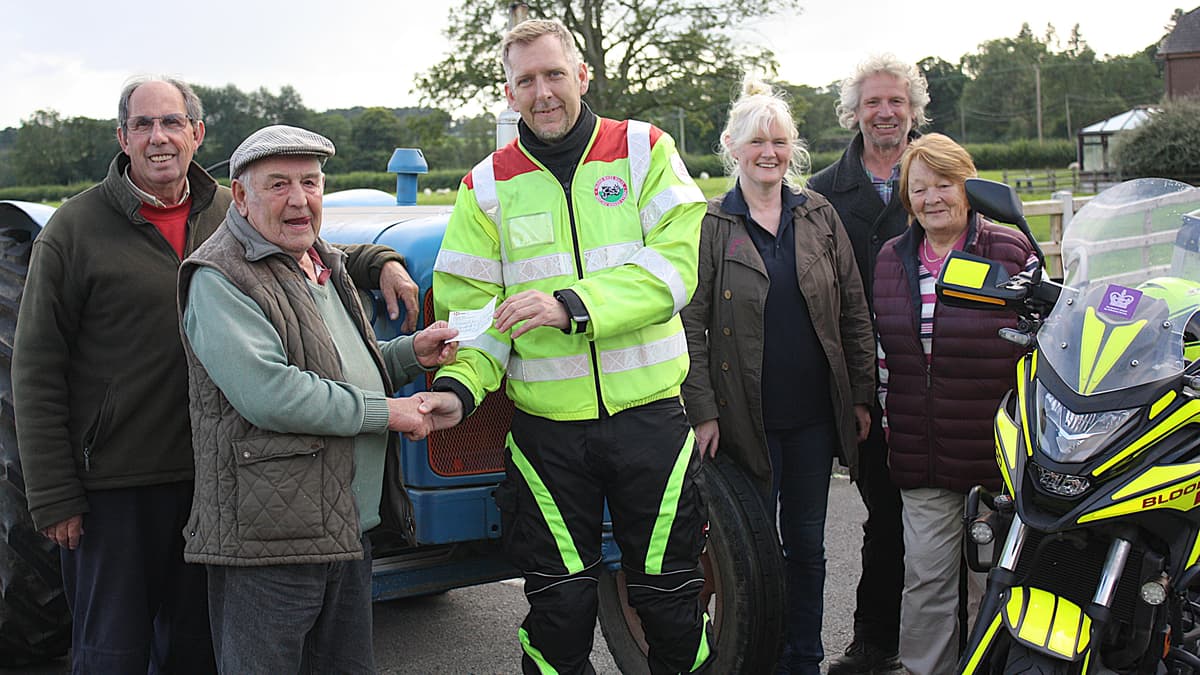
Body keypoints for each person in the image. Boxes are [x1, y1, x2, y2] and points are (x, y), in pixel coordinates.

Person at [11, 77, 419, 673]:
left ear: (197, 134)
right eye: (144, 125)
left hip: (216, 478)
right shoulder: (74, 231)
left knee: (196, 649)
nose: (160, 138)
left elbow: (307, 246)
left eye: (173, 123)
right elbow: (36, 368)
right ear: (122, 138)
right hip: (118, 484)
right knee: (112, 650)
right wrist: (53, 496)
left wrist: (380, 261)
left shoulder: (231, 209)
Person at [416, 18, 712, 675]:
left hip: (651, 422)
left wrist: (571, 305)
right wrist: (459, 388)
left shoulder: (645, 150)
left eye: (554, 74)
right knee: (560, 610)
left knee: (669, 601)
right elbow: (472, 314)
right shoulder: (484, 186)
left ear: (582, 75)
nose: (543, 91)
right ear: (508, 92)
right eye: (527, 80)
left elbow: (676, 268)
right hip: (548, 434)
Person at [177, 124, 457, 673]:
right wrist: (389, 413)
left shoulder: (316, 260)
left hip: (343, 526)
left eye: (310, 182)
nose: (299, 199)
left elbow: (334, 361)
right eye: (278, 184)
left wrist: (408, 355)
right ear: (240, 195)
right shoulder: (220, 276)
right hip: (270, 541)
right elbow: (271, 393)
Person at [679, 76, 875, 674]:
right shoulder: (711, 225)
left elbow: (852, 311)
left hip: (814, 416)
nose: (770, 152)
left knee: (808, 550)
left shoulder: (819, 215)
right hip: (743, 422)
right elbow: (689, 324)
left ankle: (803, 659)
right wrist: (705, 411)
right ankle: (758, 661)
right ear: (733, 148)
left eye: (781, 141)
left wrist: (861, 398)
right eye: (758, 141)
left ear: (793, 149)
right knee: (753, 555)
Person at [873, 133, 1036, 675]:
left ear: (969, 186)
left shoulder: (1010, 250)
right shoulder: (890, 261)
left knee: (993, 583)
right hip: (923, 456)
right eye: (919, 188)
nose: (932, 198)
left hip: (997, 456)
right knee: (926, 583)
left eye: (944, 184)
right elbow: (883, 356)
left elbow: (1044, 345)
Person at [807, 54, 930, 675]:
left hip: (940, 379)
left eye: (897, 101)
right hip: (867, 384)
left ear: (914, 110)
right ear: (853, 113)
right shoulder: (824, 194)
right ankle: (875, 640)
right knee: (887, 513)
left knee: (954, 514)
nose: (886, 112)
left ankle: (949, 639)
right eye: (873, 103)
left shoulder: (944, 178)